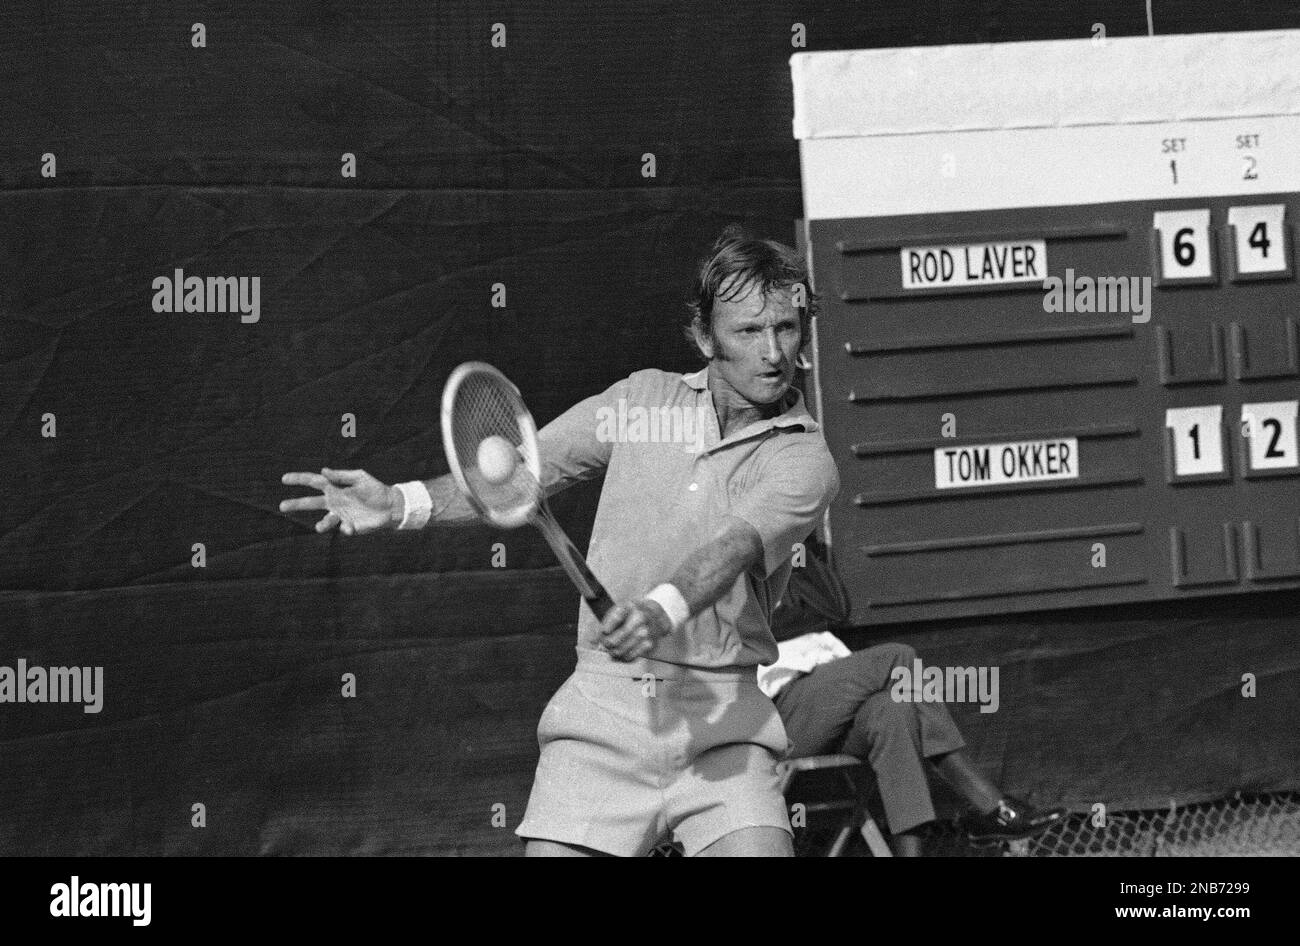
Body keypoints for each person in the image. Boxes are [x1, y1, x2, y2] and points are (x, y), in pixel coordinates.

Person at [279, 225, 840, 856]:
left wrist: (659, 610)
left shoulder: (804, 458)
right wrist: (401, 504)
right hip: (603, 712)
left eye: (786, 328)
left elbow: (734, 546)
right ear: (707, 337)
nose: (772, 352)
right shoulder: (640, 401)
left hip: (724, 726)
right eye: (748, 331)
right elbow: (519, 473)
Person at [760, 632, 1066, 855]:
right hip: (773, 712)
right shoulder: (728, 575)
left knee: (894, 710)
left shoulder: (782, 562)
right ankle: (988, 803)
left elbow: (831, 603)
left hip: (826, 694)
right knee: (898, 657)